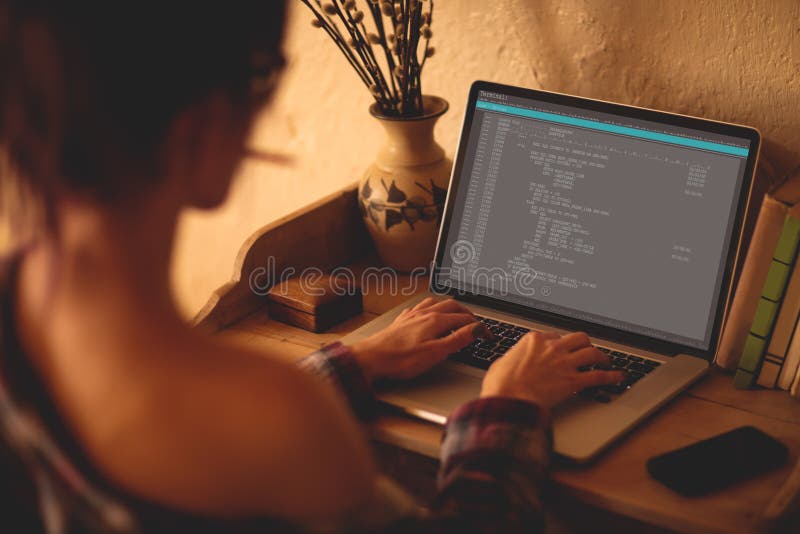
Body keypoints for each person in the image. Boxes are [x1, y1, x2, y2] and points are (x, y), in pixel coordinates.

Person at [0, 2, 626, 532]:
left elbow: (227, 434)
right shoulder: (284, 420)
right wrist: (509, 405)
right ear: (201, 133)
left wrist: (355, 363)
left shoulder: (17, 308)